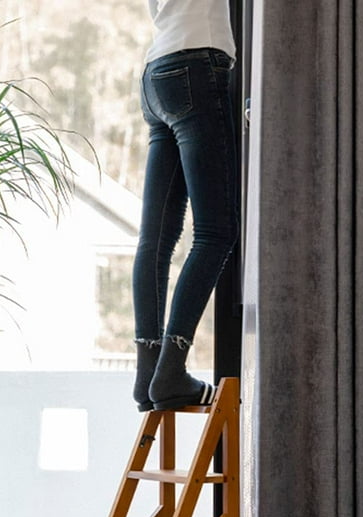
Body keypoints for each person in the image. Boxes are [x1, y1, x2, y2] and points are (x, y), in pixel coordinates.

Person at [132, 0, 238, 411]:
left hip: (156, 73)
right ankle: (172, 368)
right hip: (197, 62)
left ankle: (149, 374)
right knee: (216, 232)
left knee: (155, 239)